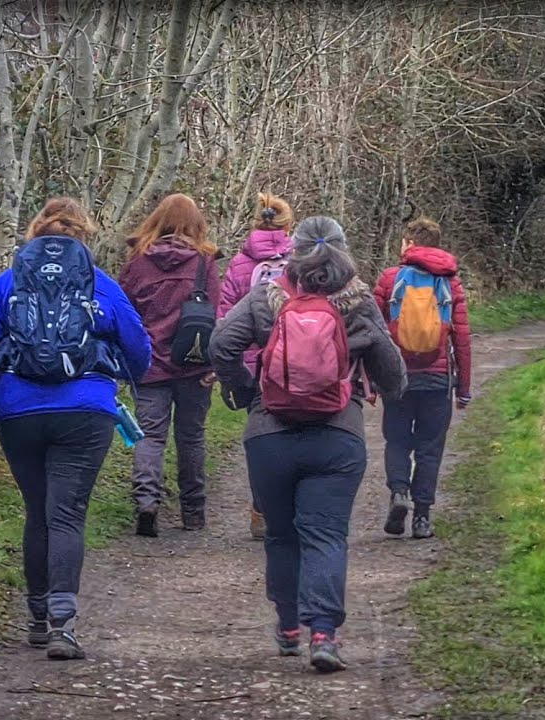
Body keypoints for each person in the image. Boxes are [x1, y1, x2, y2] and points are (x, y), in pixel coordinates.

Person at [0, 198, 151, 661]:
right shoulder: (101, 284)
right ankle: (63, 626)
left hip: (19, 410)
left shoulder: (7, 283)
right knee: (68, 515)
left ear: (35, 235)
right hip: (86, 410)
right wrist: (126, 376)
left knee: (38, 513)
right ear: (84, 237)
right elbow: (138, 344)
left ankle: (37, 618)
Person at [211, 216, 406, 672]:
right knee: (326, 534)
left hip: (269, 436)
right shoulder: (358, 303)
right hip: (337, 437)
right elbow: (394, 376)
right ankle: (323, 634)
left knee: (281, 535)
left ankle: (288, 627)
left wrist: (245, 389)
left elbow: (221, 343)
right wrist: (375, 385)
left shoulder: (266, 296)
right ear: (343, 250)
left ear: (293, 252)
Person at [119, 193, 222, 537]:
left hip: (149, 364)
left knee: (150, 436)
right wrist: (216, 362)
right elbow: (215, 314)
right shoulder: (204, 262)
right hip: (194, 364)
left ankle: (146, 502)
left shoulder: (137, 260)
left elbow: (125, 311)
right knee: (191, 437)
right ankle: (193, 512)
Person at [373, 216, 473, 540]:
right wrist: (464, 388)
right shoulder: (450, 282)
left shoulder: (390, 279)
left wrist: (370, 380)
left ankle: (399, 493)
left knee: (397, 441)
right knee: (430, 449)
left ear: (410, 244)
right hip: (437, 379)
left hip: (397, 377)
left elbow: (372, 331)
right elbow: (462, 338)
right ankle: (422, 519)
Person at [217, 192, 294, 541]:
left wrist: (231, 370)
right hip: (298, 360)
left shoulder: (239, 262)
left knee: (262, 437)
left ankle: (260, 509)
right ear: (288, 225)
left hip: (254, 364)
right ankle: (292, 506)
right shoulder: (302, 258)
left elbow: (225, 315)